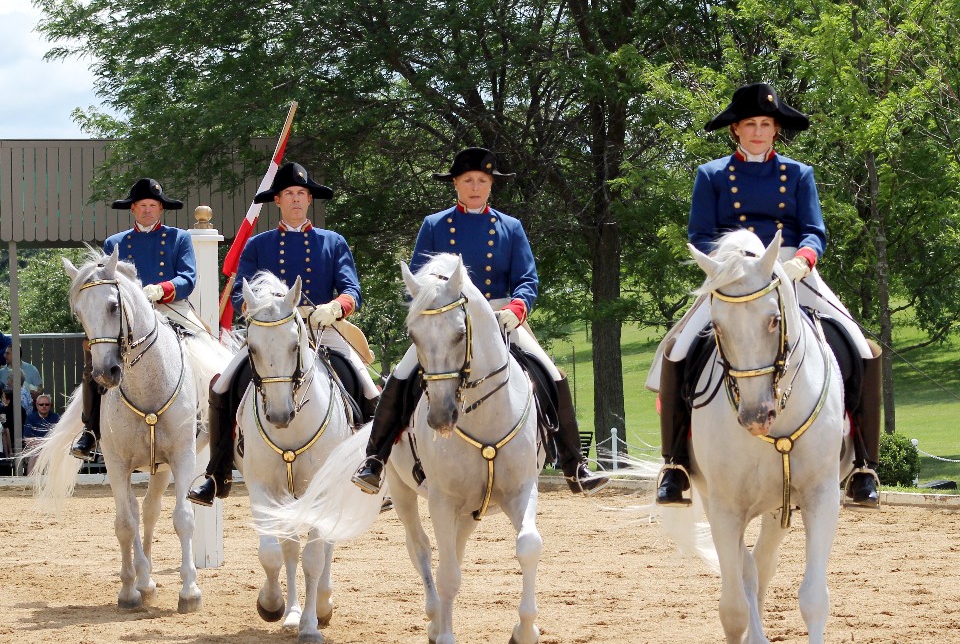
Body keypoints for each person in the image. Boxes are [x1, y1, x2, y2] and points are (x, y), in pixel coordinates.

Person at [649, 82, 882, 507]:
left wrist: (802, 262)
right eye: (750, 124)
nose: (758, 132)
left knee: (860, 345)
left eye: (766, 125)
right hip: (735, 276)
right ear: (735, 130)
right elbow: (700, 235)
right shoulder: (712, 175)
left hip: (791, 271)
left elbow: (814, 230)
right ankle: (675, 464)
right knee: (678, 349)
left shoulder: (798, 174)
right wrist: (724, 267)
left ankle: (865, 464)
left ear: (776, 130)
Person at [351, 147, 609, 496]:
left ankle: (574, 464)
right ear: (456, 184)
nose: (476, 187)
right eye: (468, 180)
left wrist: (517, 309)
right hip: (447, 319)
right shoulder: (434, 225)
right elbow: (418, 279)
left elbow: (527, 279)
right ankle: (375, 459)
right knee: (401, 374)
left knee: (551, 373)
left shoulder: (510, 227)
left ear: (491, 185)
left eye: (483, 181)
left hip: (500, 317)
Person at [187, 161, 380, 505]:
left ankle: (374, 466)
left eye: (301, 194)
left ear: (309, 200)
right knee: (221, 387)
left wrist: (335, 307)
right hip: (272, 335)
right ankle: (217, 474)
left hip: (323, 330)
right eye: (289, 194)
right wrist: (263, 311)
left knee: (369, 388)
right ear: (277, 200)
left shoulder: (332, 242)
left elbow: (352, 289)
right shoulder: (259, 245)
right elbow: (238, 294)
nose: (295, 199)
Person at [70, 178, 200, 460]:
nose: (147, 211)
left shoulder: (179, 238)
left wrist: (161, 289)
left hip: (170, 308)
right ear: (133, 210)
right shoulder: (115, 243)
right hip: (127, 316)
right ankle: (90, 430)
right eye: (142, 206)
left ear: (161, 209)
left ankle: (205, 419)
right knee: (95, 357)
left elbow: (189, 278)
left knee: (203, 352)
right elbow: (104, 285)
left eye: (152, 206)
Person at [24, 393, 61, 472]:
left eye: (47, 404)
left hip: (52, 450)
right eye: (41, 404)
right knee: (35, 454)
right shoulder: (31, 418)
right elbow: (28, 439)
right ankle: (31, 481)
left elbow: (59, 437)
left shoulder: (56, 417)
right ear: (37, 405)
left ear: (50, 406)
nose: (44, 406)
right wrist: (45, 444)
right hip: (36, 450)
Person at [0, 345, 44, 413]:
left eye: (7, 353)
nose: (4, 355)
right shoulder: (2, 372)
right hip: (7, 411)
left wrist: (36, 393)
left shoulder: (31, 369)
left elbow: (40, 389)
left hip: (28, 410)